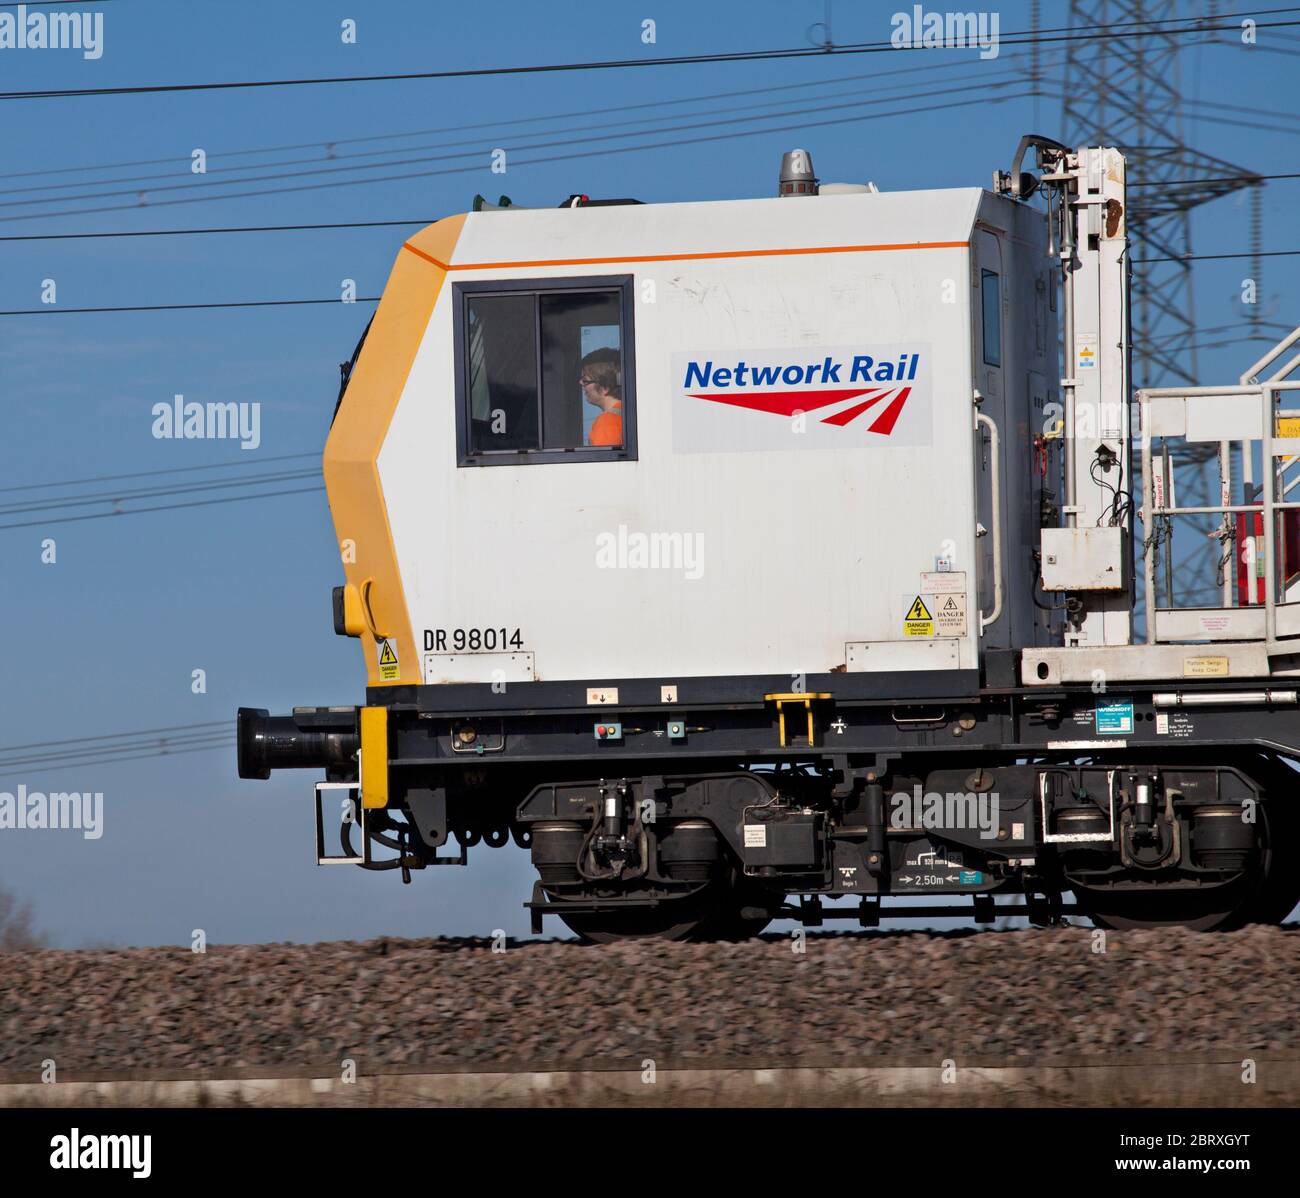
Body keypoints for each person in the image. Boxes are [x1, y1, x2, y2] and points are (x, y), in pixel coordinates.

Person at [580, 348, 623, 447]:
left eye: (585, 381)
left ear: (605, 387)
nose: (581, 383)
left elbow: (603, 462)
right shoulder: (629, 414)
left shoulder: (607, 423)